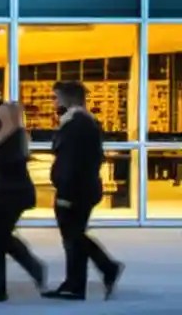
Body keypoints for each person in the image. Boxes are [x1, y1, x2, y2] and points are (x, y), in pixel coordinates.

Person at [42, 81, 124, 301]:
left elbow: (75, 162)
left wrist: (66, 192)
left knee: (73, 236)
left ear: (68, 99)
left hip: (76, 190)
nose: (53, 102)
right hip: (79, 188)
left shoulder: (78, 124)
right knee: (74, 236)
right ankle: (78, 281)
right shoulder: (80, 122)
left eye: (56, 98)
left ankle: (95, 274)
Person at [0, 102, 46, 302]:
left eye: (2, 115)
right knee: (0, 238)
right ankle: (29, 270)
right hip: (5, 191)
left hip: (9, 193)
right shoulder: (9, 135)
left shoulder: (16, 136)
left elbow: (6, 162)